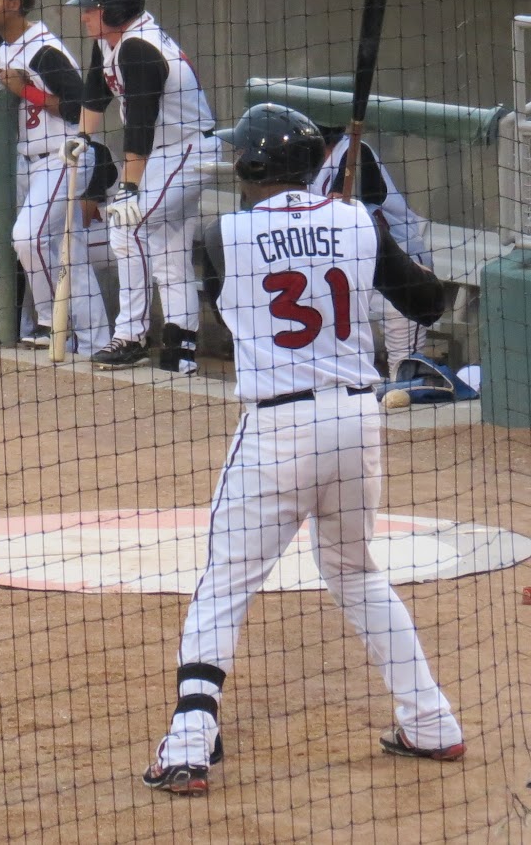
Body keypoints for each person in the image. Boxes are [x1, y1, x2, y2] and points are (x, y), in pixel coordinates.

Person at [141, 103, 464, 797]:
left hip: (279, 429)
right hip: (358, 423)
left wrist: (325, 224)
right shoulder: (358, 220)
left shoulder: (218, 236)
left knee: (226, 577)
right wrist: (353, 226)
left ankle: (191, 740)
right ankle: (430, 717)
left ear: (252, 166)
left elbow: (230, 297)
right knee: (354, 569)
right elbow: (429, 303)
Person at [70, 0, 220, 374]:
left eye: (91, 8)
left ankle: (131, 337)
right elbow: (96, 89)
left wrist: (130, 189)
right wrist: (82, 136)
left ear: (114, 11)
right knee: (170, 250)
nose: (83, 15)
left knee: (127, 225)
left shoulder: (139, 50)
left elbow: (140, 125)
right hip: (168, 152)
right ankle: (180, 351)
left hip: (183, 152)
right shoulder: (111, 41)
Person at [0, 0, 116, 355]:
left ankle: (51, 324)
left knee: (27, 238)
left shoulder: (44, 50)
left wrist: (27, 91)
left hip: (66, 156)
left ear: (14, 4)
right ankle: (93, 341)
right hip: (34, 160)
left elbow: (82, 109)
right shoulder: (5, 44)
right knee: (70, 253)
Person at [311, 126, 434, 375]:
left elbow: (346, 216)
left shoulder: (355, 153)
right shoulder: (307, 167)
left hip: (399, 268)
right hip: (354, 275)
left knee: (403, 367)